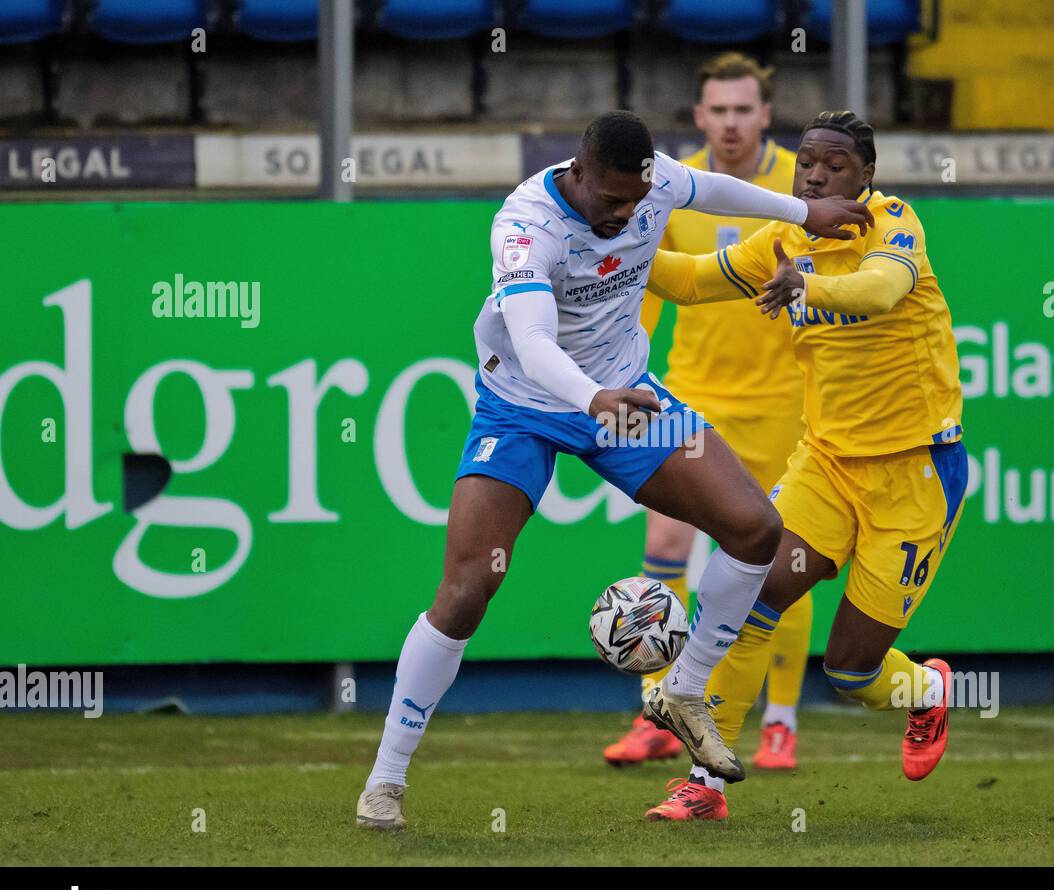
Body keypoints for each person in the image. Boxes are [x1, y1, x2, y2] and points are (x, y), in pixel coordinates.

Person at [355, 110, 869, 829]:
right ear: (578, 170)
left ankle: (684, 690)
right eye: (610, 201)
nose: (624, 213)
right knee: (471, 585)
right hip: (525, 408)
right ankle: (386, 779)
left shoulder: (653, 184)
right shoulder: (524, 225)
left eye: (636, 200)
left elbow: (719, 190)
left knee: (756, 529)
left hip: (625, 399)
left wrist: (804, 209)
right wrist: (591, 398)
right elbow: (533, 341)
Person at [640, 110, 965, 821]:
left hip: (915, 472)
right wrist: (614, 250)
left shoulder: (894, 222)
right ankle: (707, 782)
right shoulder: (784, 237)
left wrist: (805, 289)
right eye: (807, 163)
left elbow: (880, 289)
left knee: (852, 669)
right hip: (827, 463)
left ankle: (931, 693)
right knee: (750, 597)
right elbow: (694, 280)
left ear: (867, 176)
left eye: (836, 164)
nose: (815, 174)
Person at [602, 53, 813, 776]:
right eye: (716, 110)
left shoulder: (798, 186)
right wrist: (625, 377)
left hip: (783, 401)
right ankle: (659, 710)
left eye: (742, 110)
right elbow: (645, 292)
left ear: (764, 115)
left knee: (782, 557)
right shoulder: (668, 186)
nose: (729, 122)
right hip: (692, 393)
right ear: (699, 117)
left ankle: (779, 724)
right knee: (664, 543)